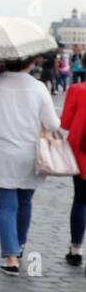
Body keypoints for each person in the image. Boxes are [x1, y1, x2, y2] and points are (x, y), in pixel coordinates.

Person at [0, 57, 62, 274]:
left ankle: (10, 257)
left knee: (5, 205)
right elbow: (52, 124)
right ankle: (20, 245)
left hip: (1, 153)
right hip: (30, 153)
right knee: (25, 202)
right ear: (30, 63)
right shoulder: (38, 87)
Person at [60, 78, 86, 268]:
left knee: (80, 200)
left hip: (82, 153)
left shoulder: (77, 89)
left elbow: (66, 123)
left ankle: (76, 249)